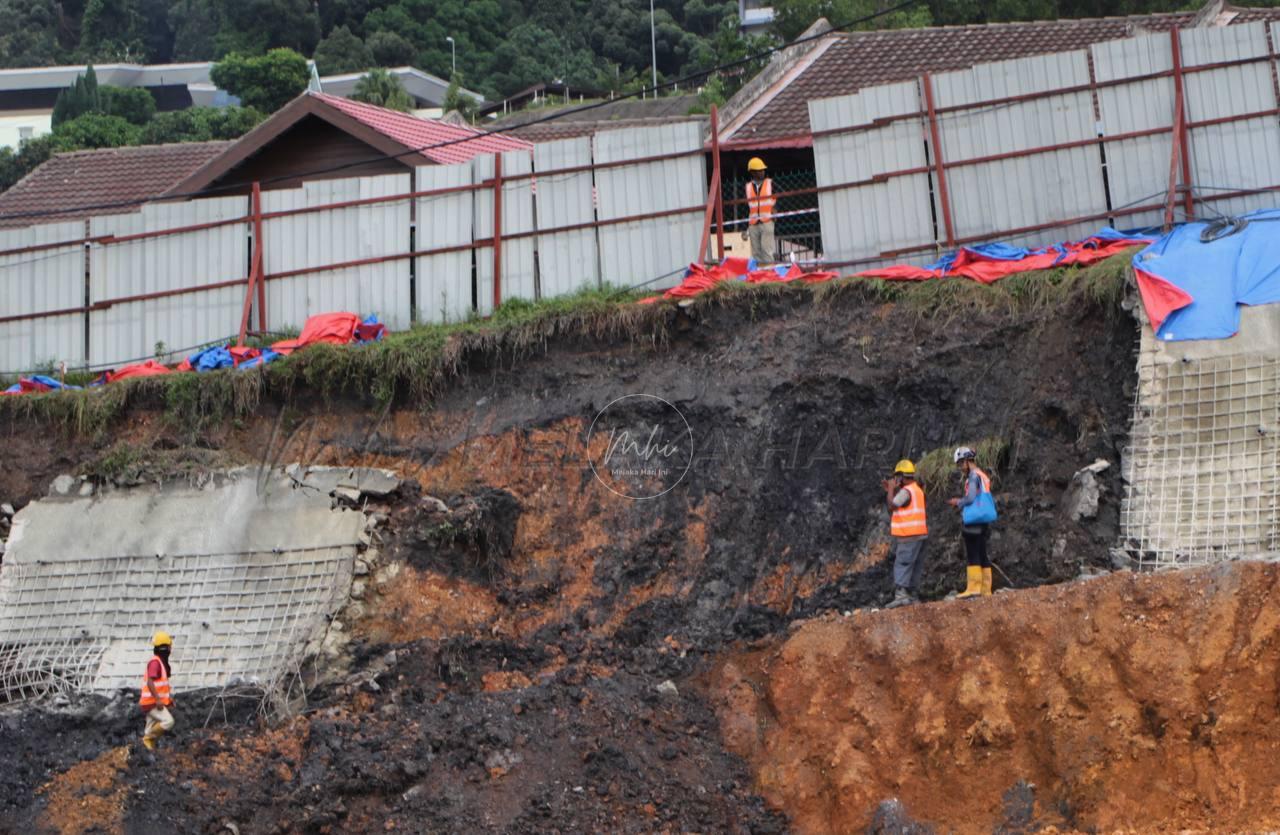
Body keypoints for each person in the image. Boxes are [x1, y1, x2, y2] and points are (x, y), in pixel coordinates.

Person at [948, 447, 994, 598]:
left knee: (973, 552)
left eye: (961, 464)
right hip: (984, 519)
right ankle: (986, 590)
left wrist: (958, 502)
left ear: (967, 461)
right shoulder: (982, 475)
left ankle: (974, 588)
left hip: (974, 519)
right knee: (982, 553)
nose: (961, 468)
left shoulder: (973, 476)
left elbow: (971, 498)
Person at [882, 459, 928, 609]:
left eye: (897, 476)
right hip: (920, 535)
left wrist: (890, 489)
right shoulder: (917, 490)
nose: (896, 479)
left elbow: (891, 506)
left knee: (903, 564)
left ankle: (901, 596)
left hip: (908, 536)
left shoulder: (906, 491)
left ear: (902, 476)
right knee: (915, 566)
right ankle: (913, 596)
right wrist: (891, 491)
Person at [140, 631, 175, 752]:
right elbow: (150, 682)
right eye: (169, 646)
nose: (171, 649)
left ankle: (146, 750)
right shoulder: (155, 663)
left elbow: (161, 686)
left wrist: (168, 701)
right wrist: (158, 700)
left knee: (149, 727)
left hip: (151, 702)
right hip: (152, 703)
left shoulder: (159, 662)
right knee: (168, 721)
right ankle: (148, 739)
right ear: (165, 647)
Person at [742, 157, 776, 264]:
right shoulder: (747, 187)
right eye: (759, 170)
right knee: (756, 253)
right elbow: (746, 207)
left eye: (763, 170)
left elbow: (780, 198)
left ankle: (769, 276)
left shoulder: (770, 183)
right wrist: (745, 228)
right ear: (752, 172)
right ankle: (759, 276)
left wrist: (776, 210)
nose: (762, 172)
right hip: (753, 224)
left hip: (767, 221)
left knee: (767, 252)